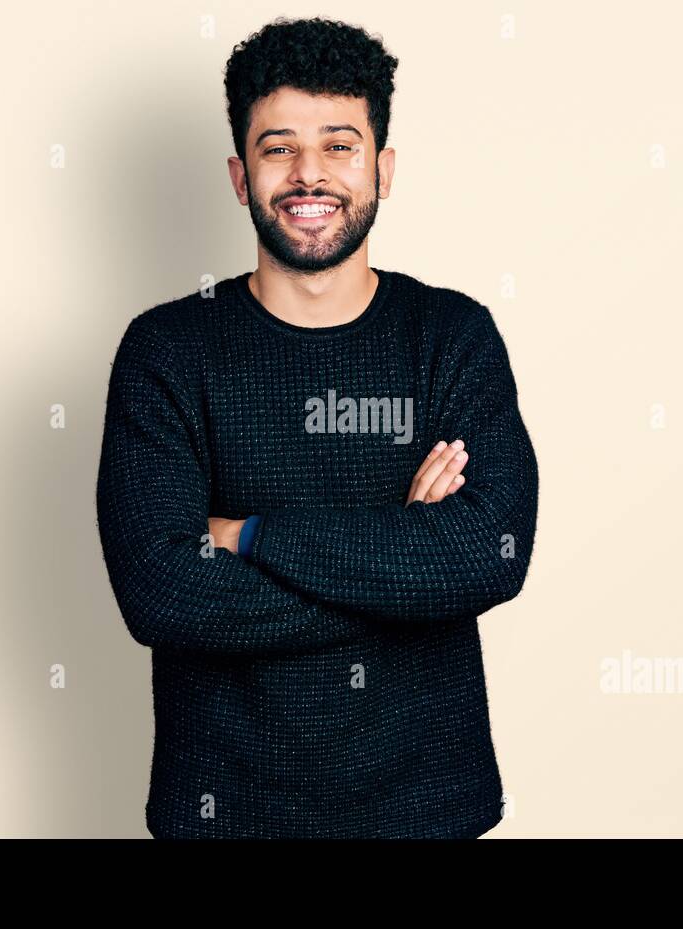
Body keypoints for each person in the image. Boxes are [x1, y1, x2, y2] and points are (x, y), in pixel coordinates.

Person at [95, 16, 539, 838]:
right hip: (226, 815)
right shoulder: (167, 349)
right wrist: (406, 553)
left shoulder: (452, 336)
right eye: (278, 148)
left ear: (384, 167)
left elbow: (490, 555)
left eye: (339, 145)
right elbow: (161, 595)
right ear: (239, 175)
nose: (310, 175)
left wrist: (248, 535)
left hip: (429, 813)